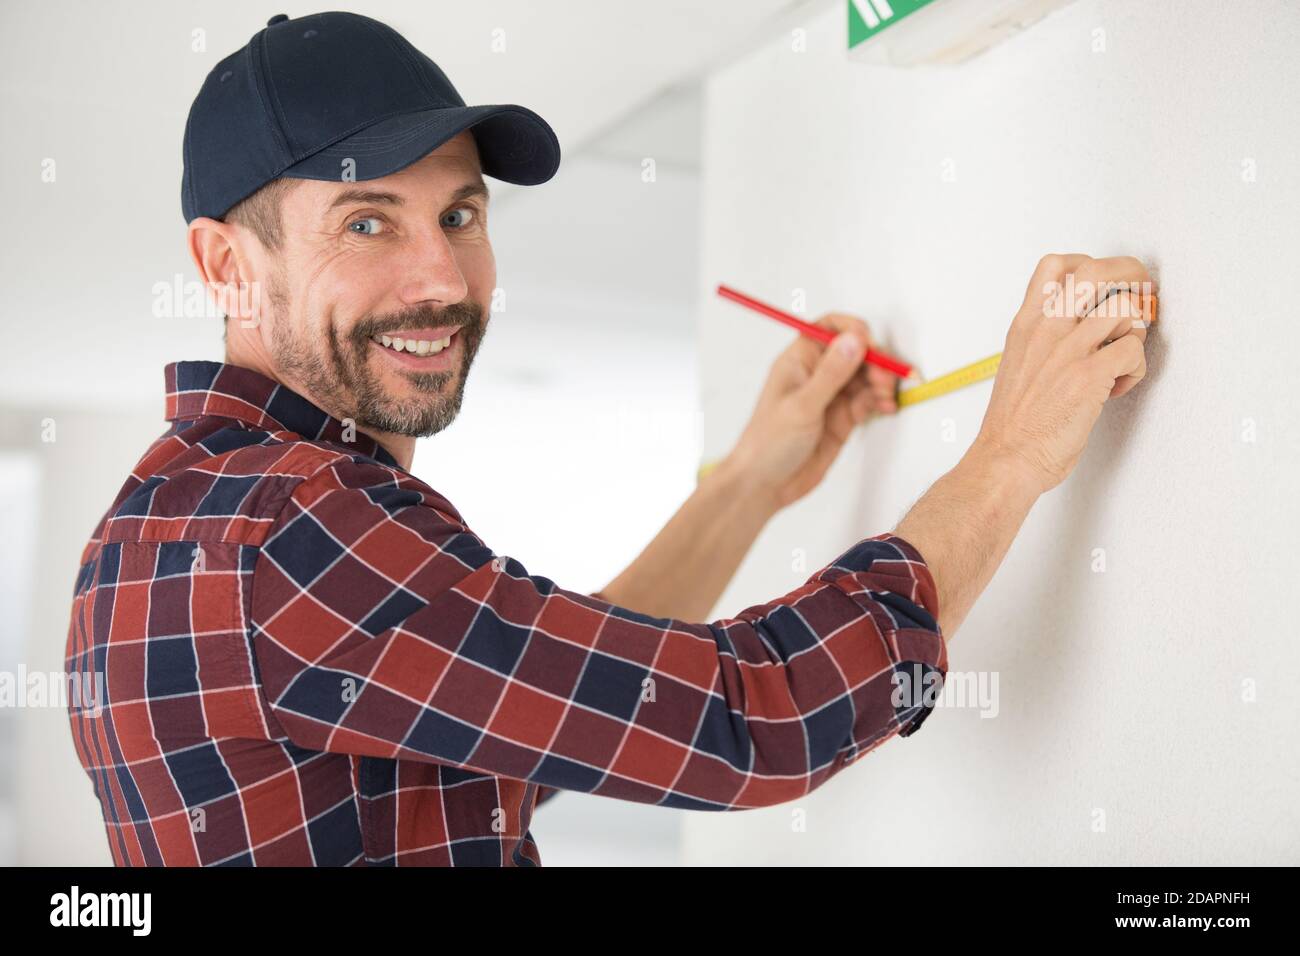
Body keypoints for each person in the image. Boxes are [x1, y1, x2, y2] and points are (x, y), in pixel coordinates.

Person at [64, 11, 1152, 866]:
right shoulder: (297, 526)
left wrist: (746, 485)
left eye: (460, 213)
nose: (441, 277)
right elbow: (755, 717)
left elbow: (518, 732)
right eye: (367, 222)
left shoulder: (158, 525)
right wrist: (1010, 453)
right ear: (223, 263)